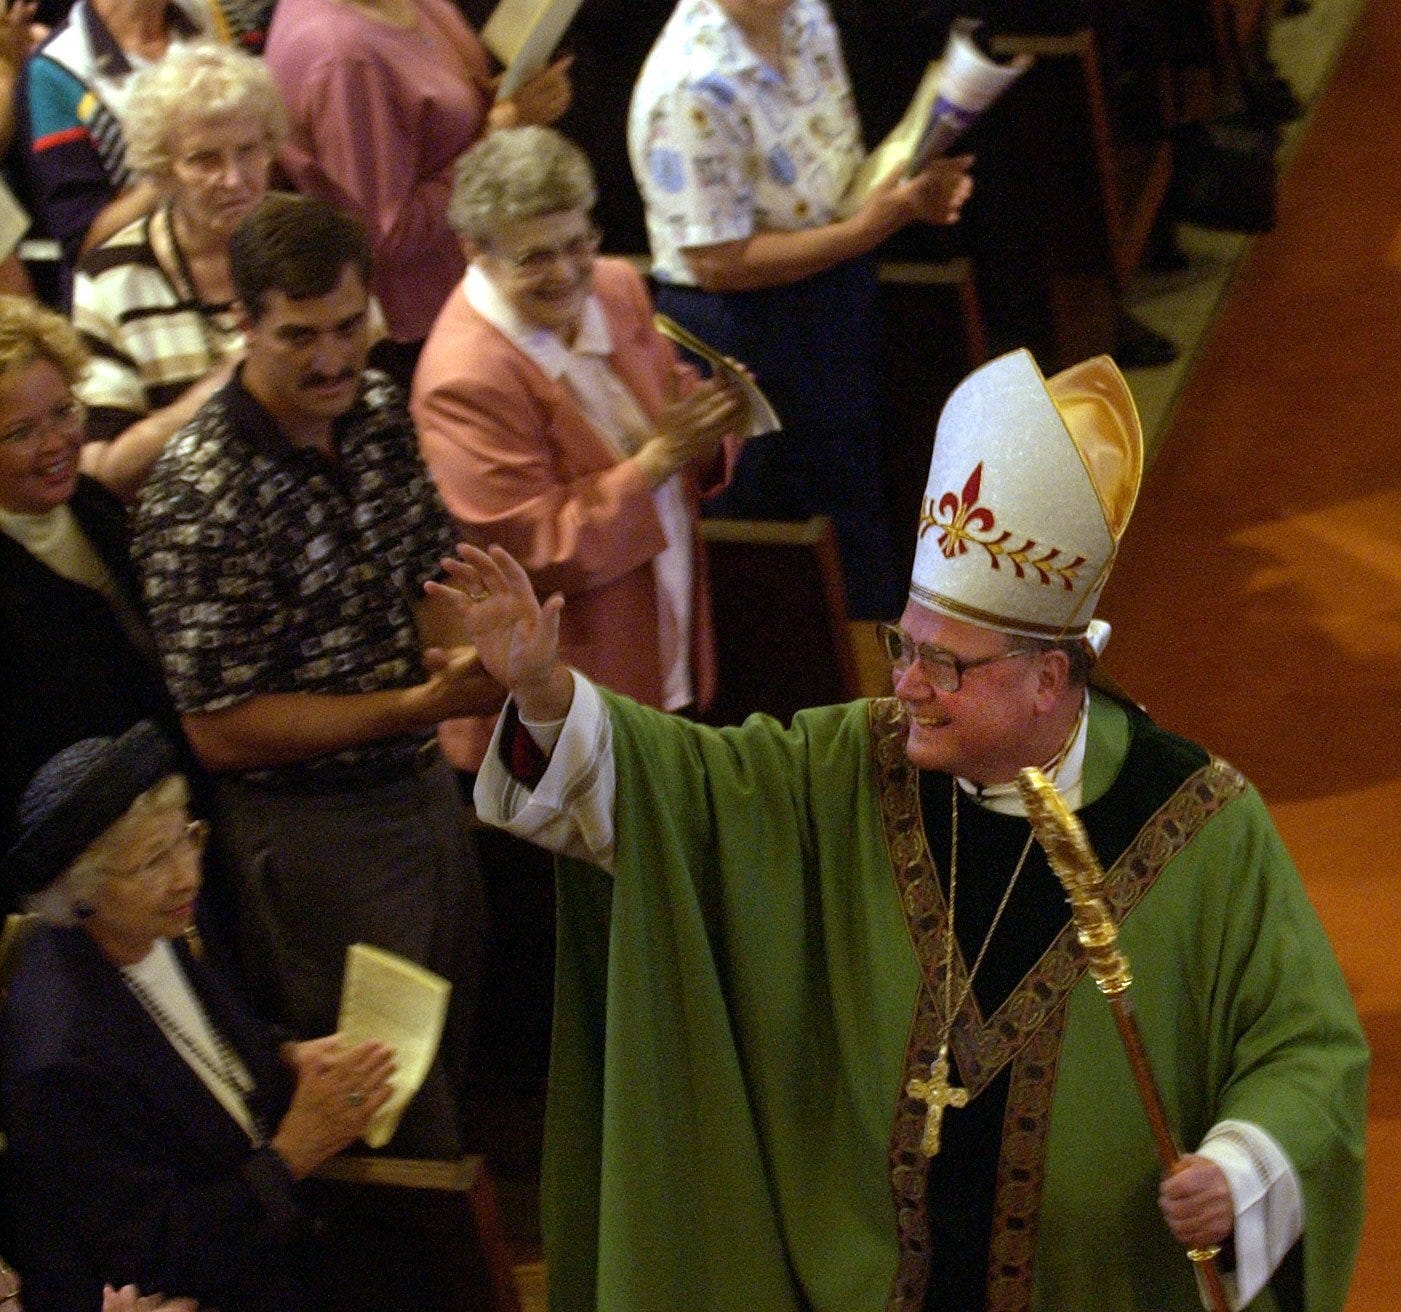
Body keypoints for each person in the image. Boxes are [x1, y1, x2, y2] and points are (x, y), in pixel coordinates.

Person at [438, 348, 1368, 1310]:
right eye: (903, 645)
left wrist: (1236, 1167)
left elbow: (1307, 1053)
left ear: (1049, 678)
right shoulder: (849, 763)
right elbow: (681, 799)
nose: (906, 683)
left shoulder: (1201, 821)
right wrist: (548, 694)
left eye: (945, 664)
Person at [132, 193, 497, 1157]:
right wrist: (418, 703)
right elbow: (221, 727)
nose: (335, 358)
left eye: (349, 325)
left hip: (418, 791)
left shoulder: (376, 412)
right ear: (242, 322)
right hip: (311, 834)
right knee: (387, 1113)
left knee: (449, 1059)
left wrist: (464, 647)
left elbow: (428, 576)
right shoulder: (199, 490)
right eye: (301, 336)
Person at [1, 720, 396, 1312]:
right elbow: (149, 1254)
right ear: (80, 893)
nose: (187, 873)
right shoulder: (60, 1059)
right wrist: (292, 1154)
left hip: (281, 1248)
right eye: (153, 861)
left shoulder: (157, 923)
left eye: (186, 838)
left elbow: (203, 1048)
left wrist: (283, 1058)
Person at [413, 125, 748, 773]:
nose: (566, 273)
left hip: (663, 618)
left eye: (576, 244)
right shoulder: (465, 377)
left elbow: (674, 402)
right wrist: (658, 457)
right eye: (534, 257)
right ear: (474, 251)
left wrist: (715, 421)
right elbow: (532, 546)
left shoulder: (617, 285)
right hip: (572, 670)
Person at [627, 0, 972, 618]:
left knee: (866, 489)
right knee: (811, 529)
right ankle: (861, 692)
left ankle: (901, 660)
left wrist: (911, 188)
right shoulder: (692, 85)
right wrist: (873, 228)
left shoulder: (807, 16)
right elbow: (719, 262)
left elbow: (834, 175)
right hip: (750, 325)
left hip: (832, 283)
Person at [264, 0, 572, 387]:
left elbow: (441, 123)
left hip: (473, 298)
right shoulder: (343, 54)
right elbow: (382, 234)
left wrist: (517, 102)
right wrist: (496, 136)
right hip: (422, 334)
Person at [0, 294, 183, 887]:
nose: (56, 443)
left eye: (62, 412)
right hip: (80, 873)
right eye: (20, 431)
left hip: (169, 823)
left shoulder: (97, 506)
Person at [70, 43, 284, 500]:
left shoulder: (313, 240)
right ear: (161, 169)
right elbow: (104, 474)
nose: (234, 178)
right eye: (205, 160)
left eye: (248, 150)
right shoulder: (111, 280)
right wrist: (232, 380)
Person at [19, 0, 214, 299]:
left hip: (229, 270)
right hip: (132, 292)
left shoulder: (205, 25)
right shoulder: (56, 71)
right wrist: (176, 169)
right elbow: (86, 243)